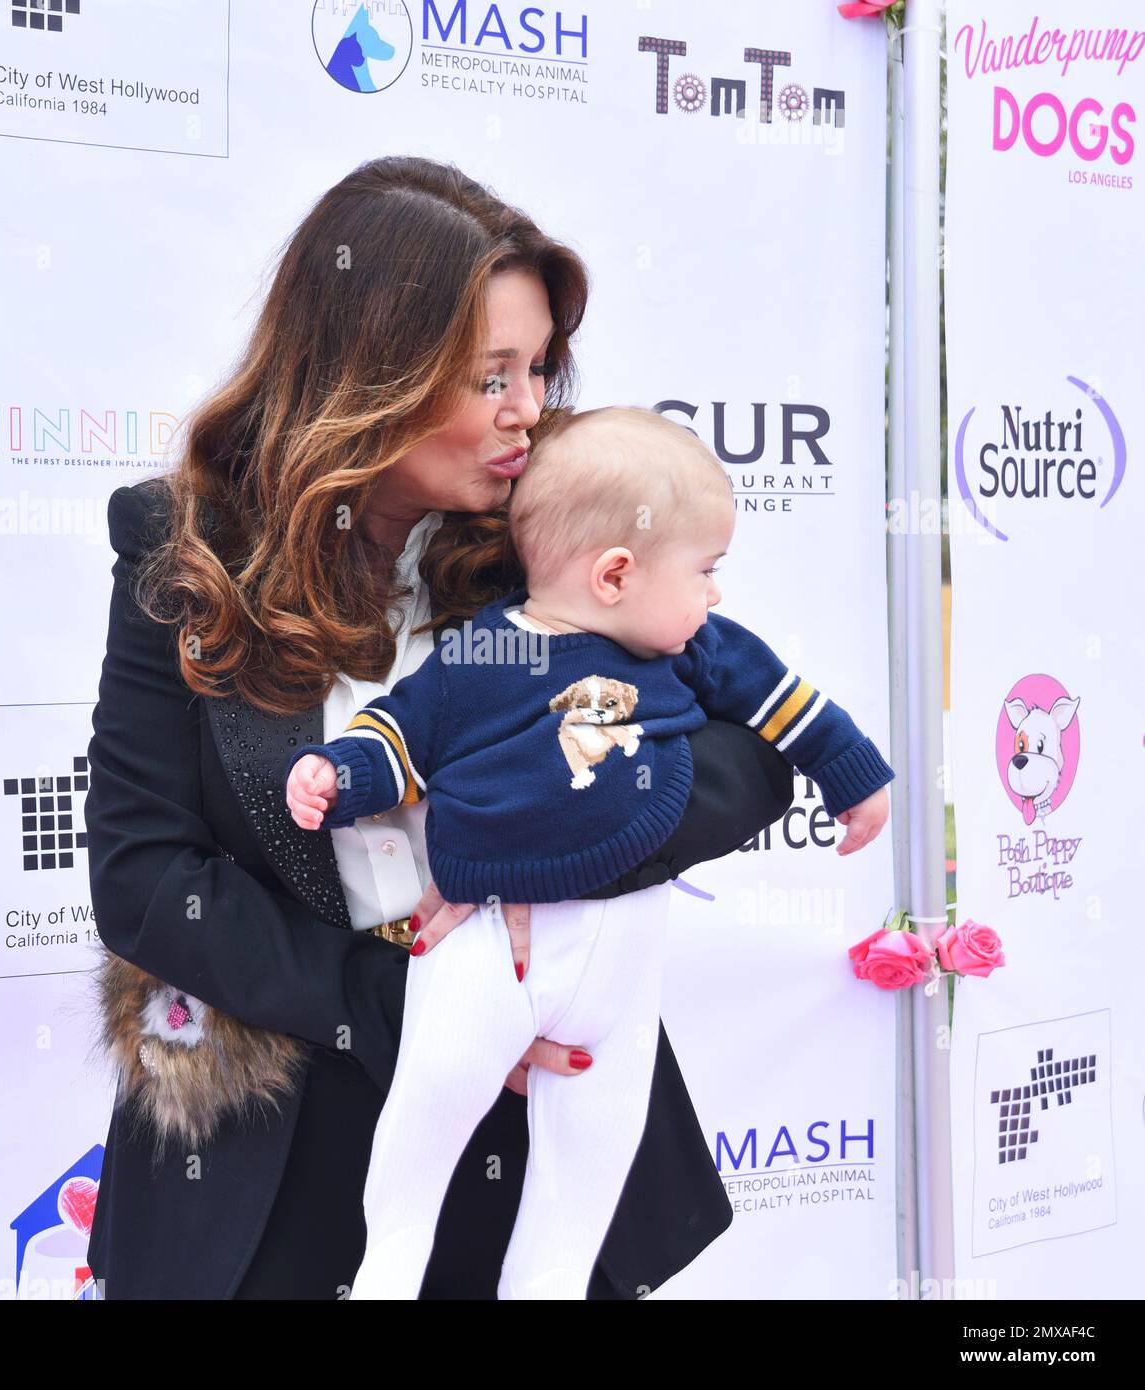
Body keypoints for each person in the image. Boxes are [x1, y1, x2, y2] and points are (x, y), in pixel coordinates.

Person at [83, 155, 800, 1300]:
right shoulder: (187, 551)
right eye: (490, 376)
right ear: (373, 373)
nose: (529, 411)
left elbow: (752, 748)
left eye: (538, 369)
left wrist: (540, 846)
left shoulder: (554, 524)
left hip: (545, 1114)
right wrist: (416, 1007)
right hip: (289, 1127)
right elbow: (143, 872)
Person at [285, 405, 894, 1299]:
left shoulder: (693, 648)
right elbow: (402, 732)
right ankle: (388, 1270)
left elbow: (783, 706)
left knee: (591, 1161)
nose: (716, 596)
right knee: (426, 1116)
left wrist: (851, 774)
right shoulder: (483, 651)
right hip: (483, 952)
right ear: (616, 573)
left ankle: (551, 1286)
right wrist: (338, 773)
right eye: (706, 571)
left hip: (619, 977)